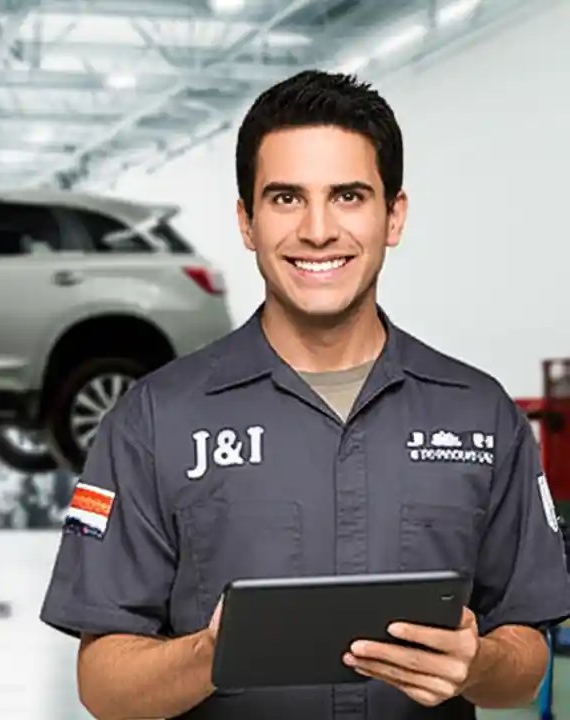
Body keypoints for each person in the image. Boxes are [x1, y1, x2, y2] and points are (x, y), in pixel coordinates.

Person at [39, 69, 570, 719]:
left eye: (348, 195)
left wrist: (478, 663)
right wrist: (212, 652)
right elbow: (103, 685)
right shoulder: (154, 420)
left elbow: (525, 660)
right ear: (247, 221)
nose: (318, 230)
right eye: (286, 198)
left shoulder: (481, 415)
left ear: (393, 215)